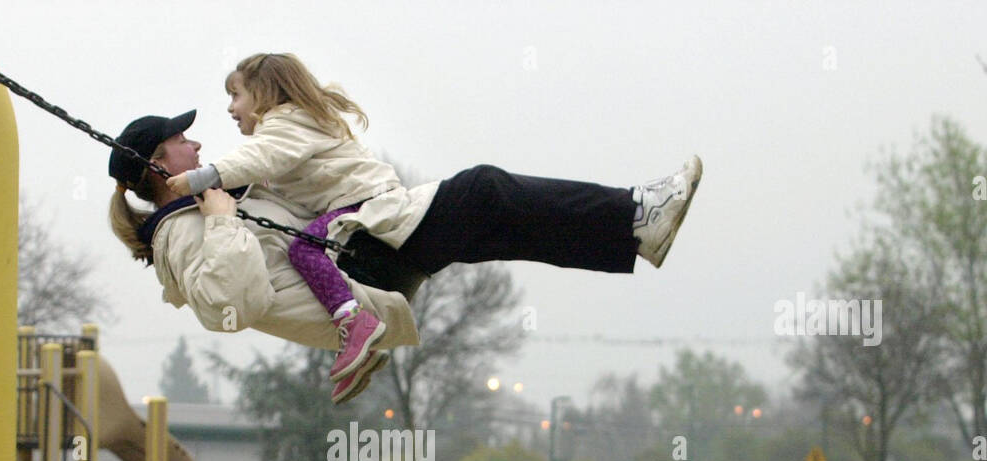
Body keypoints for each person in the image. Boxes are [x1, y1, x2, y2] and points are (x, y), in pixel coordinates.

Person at [107, 107, 701, 404]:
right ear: (158, 163)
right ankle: (636, 214)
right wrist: (220, 218)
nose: (197, 142)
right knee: (483, 191)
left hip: (358, 263)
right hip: (358, 267)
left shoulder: (211, 204)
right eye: (181, 140)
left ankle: (633, 233)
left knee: (495, 222)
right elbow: (230, 306)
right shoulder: (182, 232)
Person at [164, 53, 397, 389]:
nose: (230, 108)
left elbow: (259, 157)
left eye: (236, 95)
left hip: (362, 199)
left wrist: (203, 177)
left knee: (305, 250)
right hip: (355, 198)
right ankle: (362, 351)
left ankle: (354, 322)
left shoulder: (286, 123)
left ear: (262, 93)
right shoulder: (291, 126)